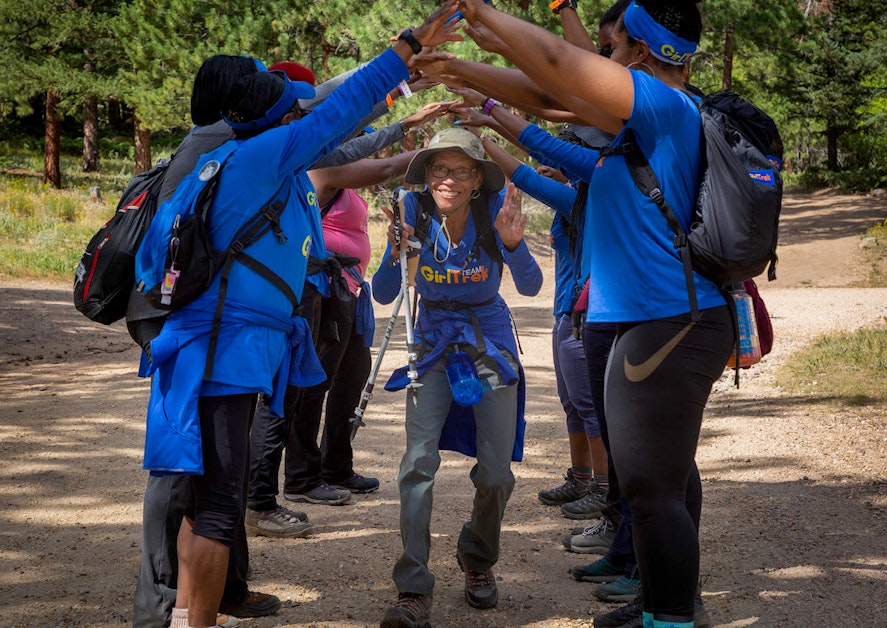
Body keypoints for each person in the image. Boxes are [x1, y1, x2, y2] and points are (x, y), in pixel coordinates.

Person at [138, 8, 462, 626]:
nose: (301, 116)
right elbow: (343, 109)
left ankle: (182, 618)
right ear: (274, 116)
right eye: (292, 108)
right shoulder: (262, 156)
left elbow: (155, 262)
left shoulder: (220, 162)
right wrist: (409, 45)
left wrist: (404, 90)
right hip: (224, 355)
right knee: (217, 509)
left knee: (201, 504)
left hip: (195, 350)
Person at [454, 0, 734, 626]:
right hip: (647, 318)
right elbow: (548, 96)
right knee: (656, 478)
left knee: (651, 487)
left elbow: (558, 66)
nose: (602, 56)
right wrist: (471, 72)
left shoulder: (664, 105)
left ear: (641, 50)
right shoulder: (636, 131)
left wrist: (482, 14)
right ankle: (663, 603)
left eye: (612, 47)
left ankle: (670, 618)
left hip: (668, 319)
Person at [130, 55, 281, 628]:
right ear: (234, 95)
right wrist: (398, 71)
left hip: (187, 314)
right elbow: (321, 115)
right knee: (180, 474)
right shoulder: (217, 140)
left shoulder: (221, 142)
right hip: (178, 317)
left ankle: (225, 589)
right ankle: (158, 605)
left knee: (217, 470)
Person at [372, 127, 542, 627]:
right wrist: (395, 252)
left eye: (461, 170)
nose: (449, 179)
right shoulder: (412, 209)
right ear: (427, 175)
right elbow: (383, 294)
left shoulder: (495, 211)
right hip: (431, 346)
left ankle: (477, 555)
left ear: (477, 179)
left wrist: (513, 245)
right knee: (417, 463)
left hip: (488, 344)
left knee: (496, 474)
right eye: (440, 169)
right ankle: (412, 585)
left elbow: (531, 285)